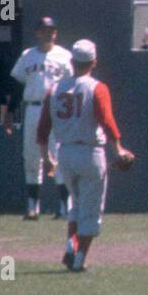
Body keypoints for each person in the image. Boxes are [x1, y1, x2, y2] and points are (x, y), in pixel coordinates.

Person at [36, 39, 135, 273]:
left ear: (71, 61)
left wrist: (46, 158)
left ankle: (71, 247)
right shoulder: (96, 87)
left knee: (76, 206)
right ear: (94, 62)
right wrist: (118, 149)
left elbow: (42, 131)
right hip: (90, 152)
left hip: (65, 152)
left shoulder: (55, 89)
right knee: (91, 209)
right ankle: (79, 259)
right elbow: (106, 121)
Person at [10, 16, 72, 220]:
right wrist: (9, 112)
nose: (48, 33)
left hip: (56, 109)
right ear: (37, 33)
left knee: (58, 157)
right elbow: (17, 85)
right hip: (33, 108)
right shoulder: (28, 55)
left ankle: (65, 208)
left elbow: (73, 86)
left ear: (56, 33)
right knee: (31, 157)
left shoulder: (64, 56)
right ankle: (32, 208)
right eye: (44, 30)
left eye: (51, 30)